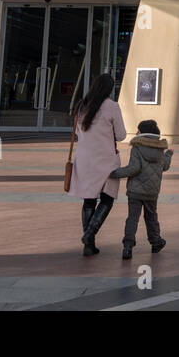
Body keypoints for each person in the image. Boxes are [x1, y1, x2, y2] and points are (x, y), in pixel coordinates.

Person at [68, 73, 126, 255]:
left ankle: (89, 243)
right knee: (107, 198)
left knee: (89, 199)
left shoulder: (82, 105)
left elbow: (78, 132)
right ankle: (90, 233)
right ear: (109, 89)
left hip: (84, 159)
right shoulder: (112, 107)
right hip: (105, 160)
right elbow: (121, 135)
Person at [109, 119, 174, 260]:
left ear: (143, 133)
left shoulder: (137, 148)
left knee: (132, 218)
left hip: (135, 192)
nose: (137, 132)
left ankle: (128, 247)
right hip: (152, 192)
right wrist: (169, 154)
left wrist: (115, 173)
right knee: (151, 217)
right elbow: (165, 166)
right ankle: (156, 242)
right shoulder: (160, 149)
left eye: (138, 130)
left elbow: (134, 168)